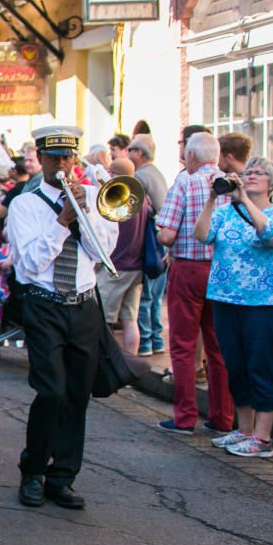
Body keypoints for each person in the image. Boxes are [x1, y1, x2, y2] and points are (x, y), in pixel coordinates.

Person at [6, 125, 118, 509]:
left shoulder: (93, 199)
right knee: (51, 391)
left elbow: (104, 252)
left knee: (76, 396)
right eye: (53, 158)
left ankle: (62, 477)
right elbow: (30, 263)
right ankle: (33, 471)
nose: (61, 165)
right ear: (40, 157)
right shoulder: (26, 203)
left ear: (76, 159)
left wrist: (87, 213)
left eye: (67, 158)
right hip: (44, 303)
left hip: (84, 304)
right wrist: (62, 221)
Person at [193, 157, 273, 457]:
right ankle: (244, 430)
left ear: (272, 183)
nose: (252, 176)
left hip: (264, 303)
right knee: (235, 366)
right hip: (225, 299)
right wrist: (211, 197)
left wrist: (245, 199)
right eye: (247, 173)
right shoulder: (225, 213)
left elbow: (272, 236)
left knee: (260, 366)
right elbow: (201, 234)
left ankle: (263, 439)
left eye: (259, 173)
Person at [154, 131, 234, 436]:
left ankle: (185, 417)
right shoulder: (230, 184)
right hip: (222, 271)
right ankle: (222, 417)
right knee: (218, 346)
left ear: (191, 156)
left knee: (184, 346)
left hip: (189, 269)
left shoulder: (184, 183)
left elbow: (167, 235)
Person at [94, 158, 148, 355]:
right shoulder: (142, 198)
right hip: (135, 266)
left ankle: (109, 363)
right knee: (130, 320)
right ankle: (129, 363)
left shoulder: (115, 197)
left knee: (103, 319)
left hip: (116, 266)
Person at [127, 134, 168, 357]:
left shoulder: (141, 177)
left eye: (131, 149)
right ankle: (156, 338)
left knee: (145, 297)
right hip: (160, 244)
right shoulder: (156, 173)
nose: (128, 152)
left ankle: (145, 342)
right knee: (154, 297)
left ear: (140, 153)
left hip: (152, 243)